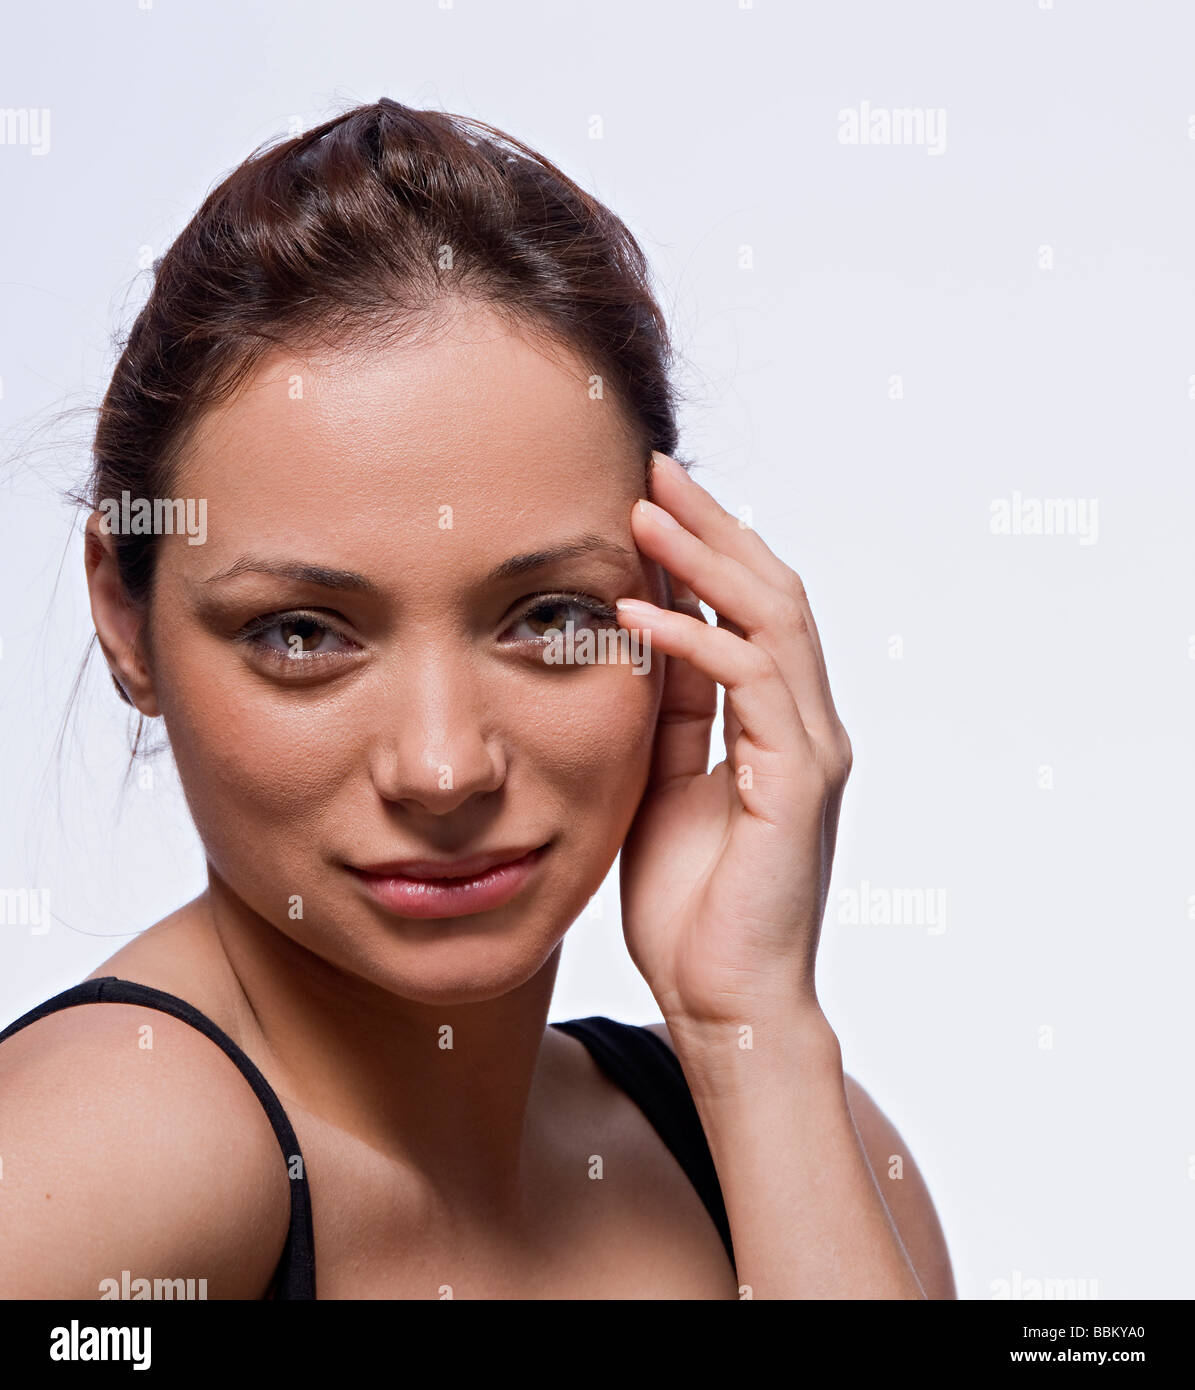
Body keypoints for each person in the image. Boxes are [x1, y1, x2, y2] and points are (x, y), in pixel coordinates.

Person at [0, 98, 955, 1300]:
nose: (443, 769)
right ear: (124, 615)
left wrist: (749, 1029)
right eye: (303, 634)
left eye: (549, 617)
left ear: (676, 602)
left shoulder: (795, 1136)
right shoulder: (113, 1146)